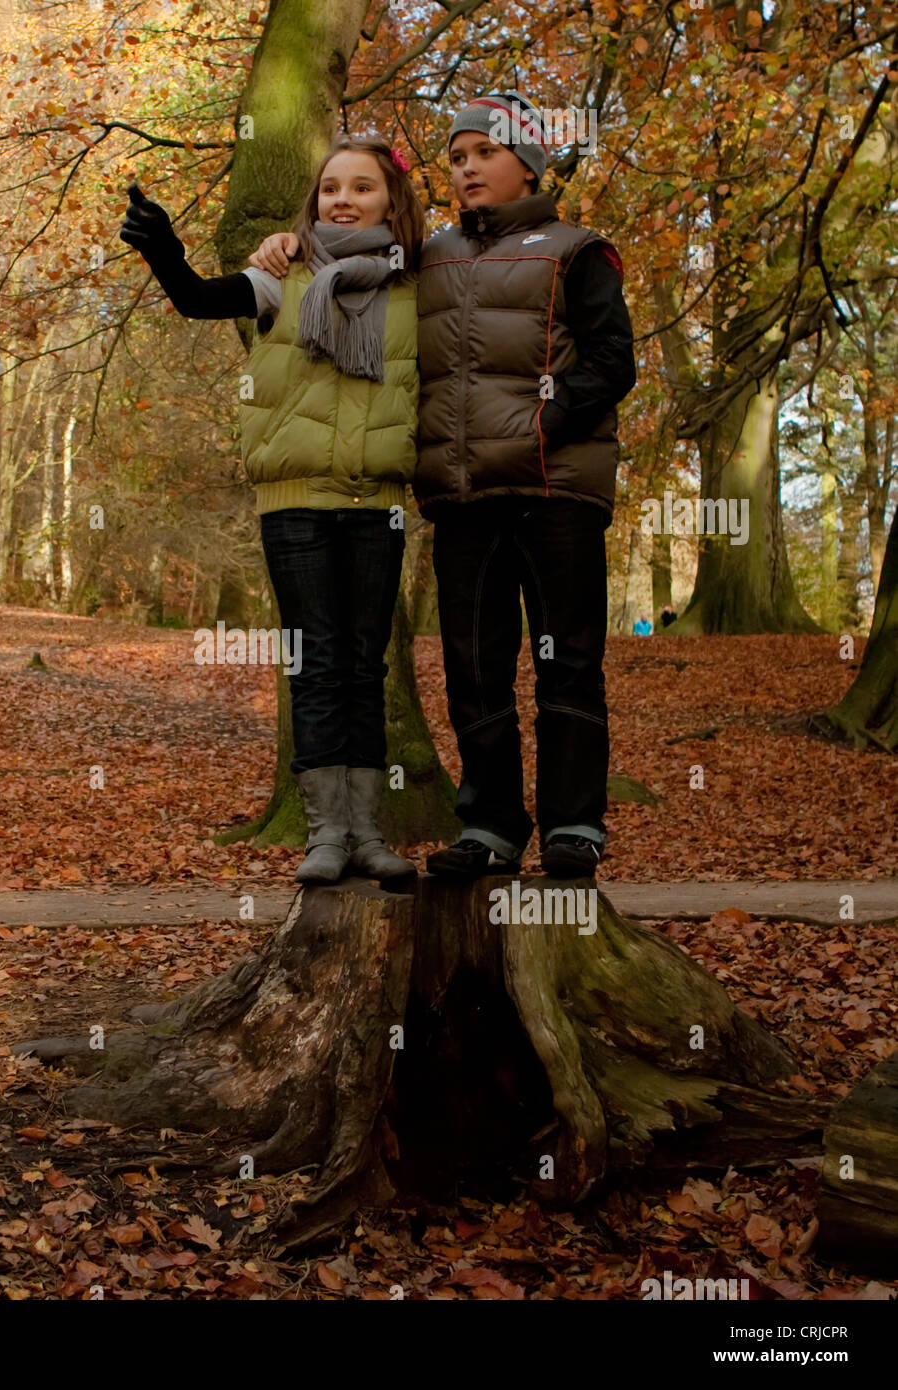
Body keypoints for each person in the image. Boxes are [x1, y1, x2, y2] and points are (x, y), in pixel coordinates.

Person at [250, 93, 636, 880]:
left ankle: (573, 826)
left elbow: (610, 363)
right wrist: (285, 244)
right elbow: (351, 262)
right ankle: (490, 828)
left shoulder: (577, 250)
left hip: (556, 489)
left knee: (568, 664)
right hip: (460, 500)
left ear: (524, 162)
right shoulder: (429, 258)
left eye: (482, 154)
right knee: (473, 666)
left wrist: (541, 424)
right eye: (455, 159)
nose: (465, 169)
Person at [120, 136, 425, 884]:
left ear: (393, 201)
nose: (343, 200)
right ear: (312, 202)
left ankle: (367, 834)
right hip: (294, 504)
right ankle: (326, 836)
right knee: (316, 663)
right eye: (329, 189)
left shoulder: (421, 287)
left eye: (362, 188)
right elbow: (196, 298)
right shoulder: (279, 278)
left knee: (364, 665)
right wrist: (163, 249)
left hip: (378, 502)